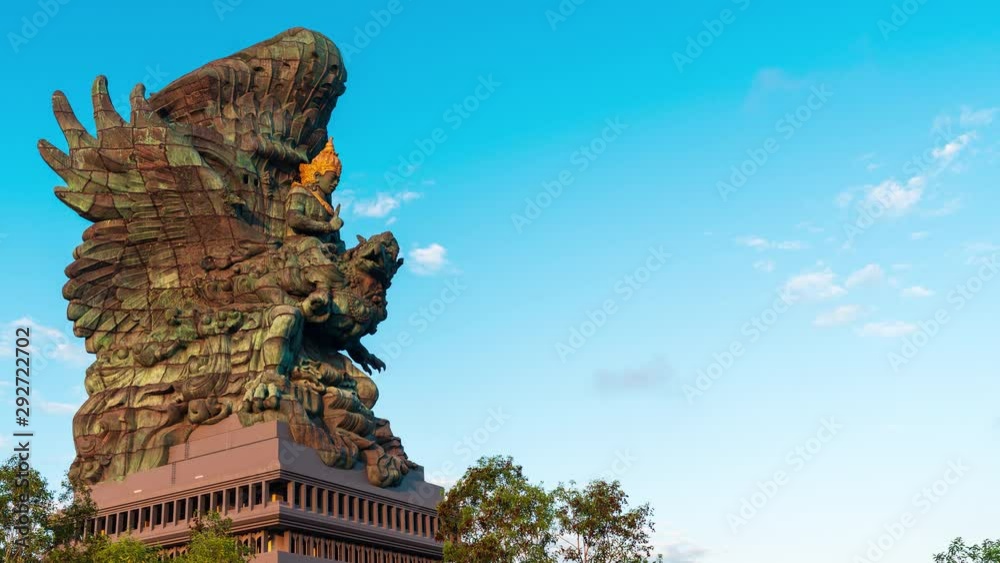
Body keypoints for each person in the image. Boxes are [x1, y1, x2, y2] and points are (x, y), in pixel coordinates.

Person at [285, 138, 346, 254]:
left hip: (324, 250)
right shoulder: (299, 191)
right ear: (317, 176)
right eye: (333, 179)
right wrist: (328, 226)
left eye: (338, 180)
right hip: (298, 246)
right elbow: (293, 219)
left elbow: (335, 239)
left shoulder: (329, 208)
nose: (335, 183)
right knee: (314, 244)